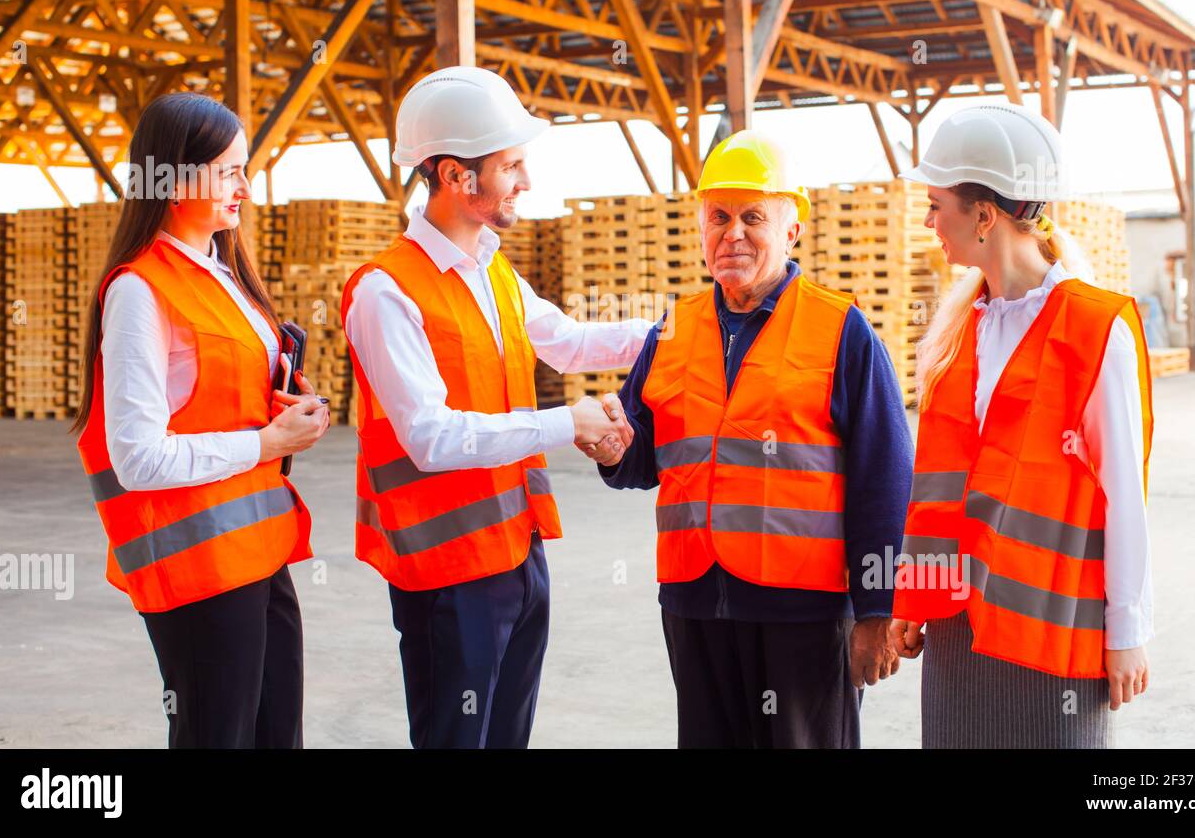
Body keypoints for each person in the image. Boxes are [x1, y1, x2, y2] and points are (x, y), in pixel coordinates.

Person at [342, 65, 650, 749]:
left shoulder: (492, 268)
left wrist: (675, 330)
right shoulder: (385, 293)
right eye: (511, 165)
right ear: (456, 175)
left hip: (517, 557)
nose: (526, 182)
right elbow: (429, 437)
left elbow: (566, 343)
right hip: (447, 577)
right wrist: (567, 423)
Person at [585, 130, 914, 748]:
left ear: (792, 230)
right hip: (694, 602)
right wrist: (611, 451)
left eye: (752, 217)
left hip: (805, 614)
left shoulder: (840, 330)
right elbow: (640, 456)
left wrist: (877, 610)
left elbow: (885, 477)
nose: (731, 232)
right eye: (718, 217)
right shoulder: (673, 330)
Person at [889, 103, 1154, 748]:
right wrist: (917, 599)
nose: (928, 221)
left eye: (937, 204)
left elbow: (1125, 497)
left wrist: (1126, 633)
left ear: (984, 214)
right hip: (959, 631)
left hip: (1051, 632)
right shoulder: (958, 334)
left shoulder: (1097, 331)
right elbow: (943, 491)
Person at [74, 92, 330, 748]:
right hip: (199, 569)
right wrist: (265, 440)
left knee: (276, 737)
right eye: (229, 171)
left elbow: (220, 399)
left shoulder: (223, 276)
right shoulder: (140, 291)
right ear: (173, 176)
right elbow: (138, 458)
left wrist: (283, 411)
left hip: (258, 552)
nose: (245, 186)